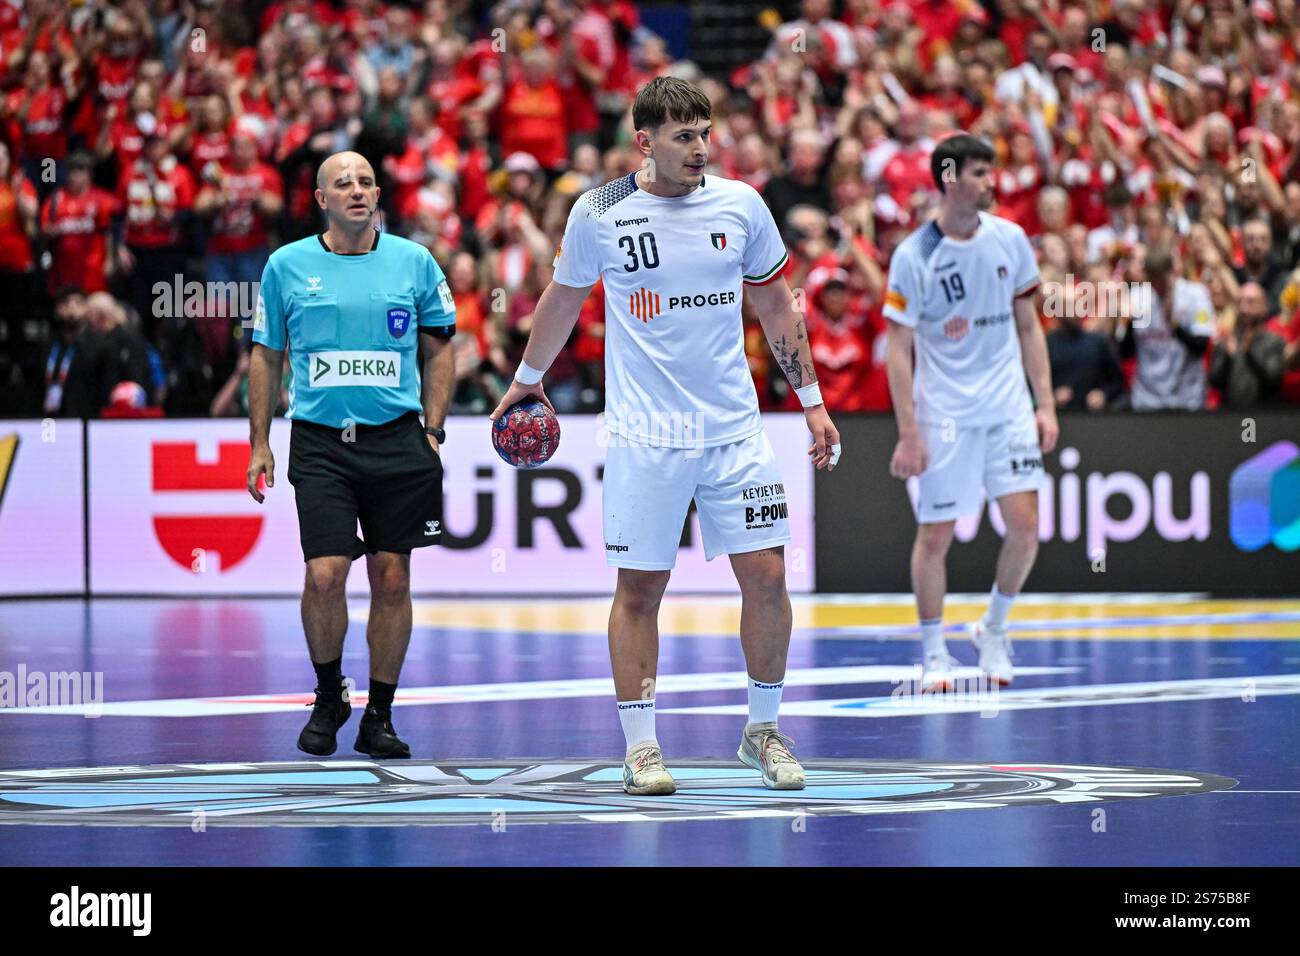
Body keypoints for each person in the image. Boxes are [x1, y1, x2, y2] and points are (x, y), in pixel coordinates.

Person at [491, 77, 841, 795]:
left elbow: (778, 307)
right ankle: (642, 748)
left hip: (734, 431)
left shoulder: (741, 205)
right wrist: (528, 377)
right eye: (685, 137)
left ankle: (763, 732)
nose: (700, 148)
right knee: (641, 590)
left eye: (706, 133)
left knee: (768, 578)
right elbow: (563, 298)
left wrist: (812, 401)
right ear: (644, 142)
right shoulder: (599, 211)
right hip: (646, 436)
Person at [246, 151, 456, 759]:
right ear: (321, 199)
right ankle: (328, 693)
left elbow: (441, 346)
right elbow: (266, 354)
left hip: (398, 440)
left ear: (378, 194)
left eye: (366, 182)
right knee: (324, 574)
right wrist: (259, 441)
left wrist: (433, 430)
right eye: (343, 184)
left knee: (391, 577)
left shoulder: (415, 261)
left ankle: (379, 716)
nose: (357, 190)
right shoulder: (285, 265)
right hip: (320, 442)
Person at [883, 133, 1058, 692]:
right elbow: (897, 349)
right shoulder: (914, 256)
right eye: (980, 173)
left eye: (992, 171)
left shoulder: (1011, 239)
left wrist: (1044, 404)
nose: (991, 182)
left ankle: (994, 628)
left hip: (1007, 407)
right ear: (950, 179)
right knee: (936, 536)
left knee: (1026, 529)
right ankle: (934, 651)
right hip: (946, 414)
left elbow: (1029, 326)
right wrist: (909, 432)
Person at [1209, 281, 1286, 409]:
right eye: (1240, 302)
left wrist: (1250, 353)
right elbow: (1214, 382)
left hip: (1265, 415)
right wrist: (1228, 357)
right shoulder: (1227, 340)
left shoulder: (1274, 342)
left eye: (1251, 302)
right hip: (1229, 416)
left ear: (1264, 307)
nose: (1244, 309)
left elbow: (1274, 379)